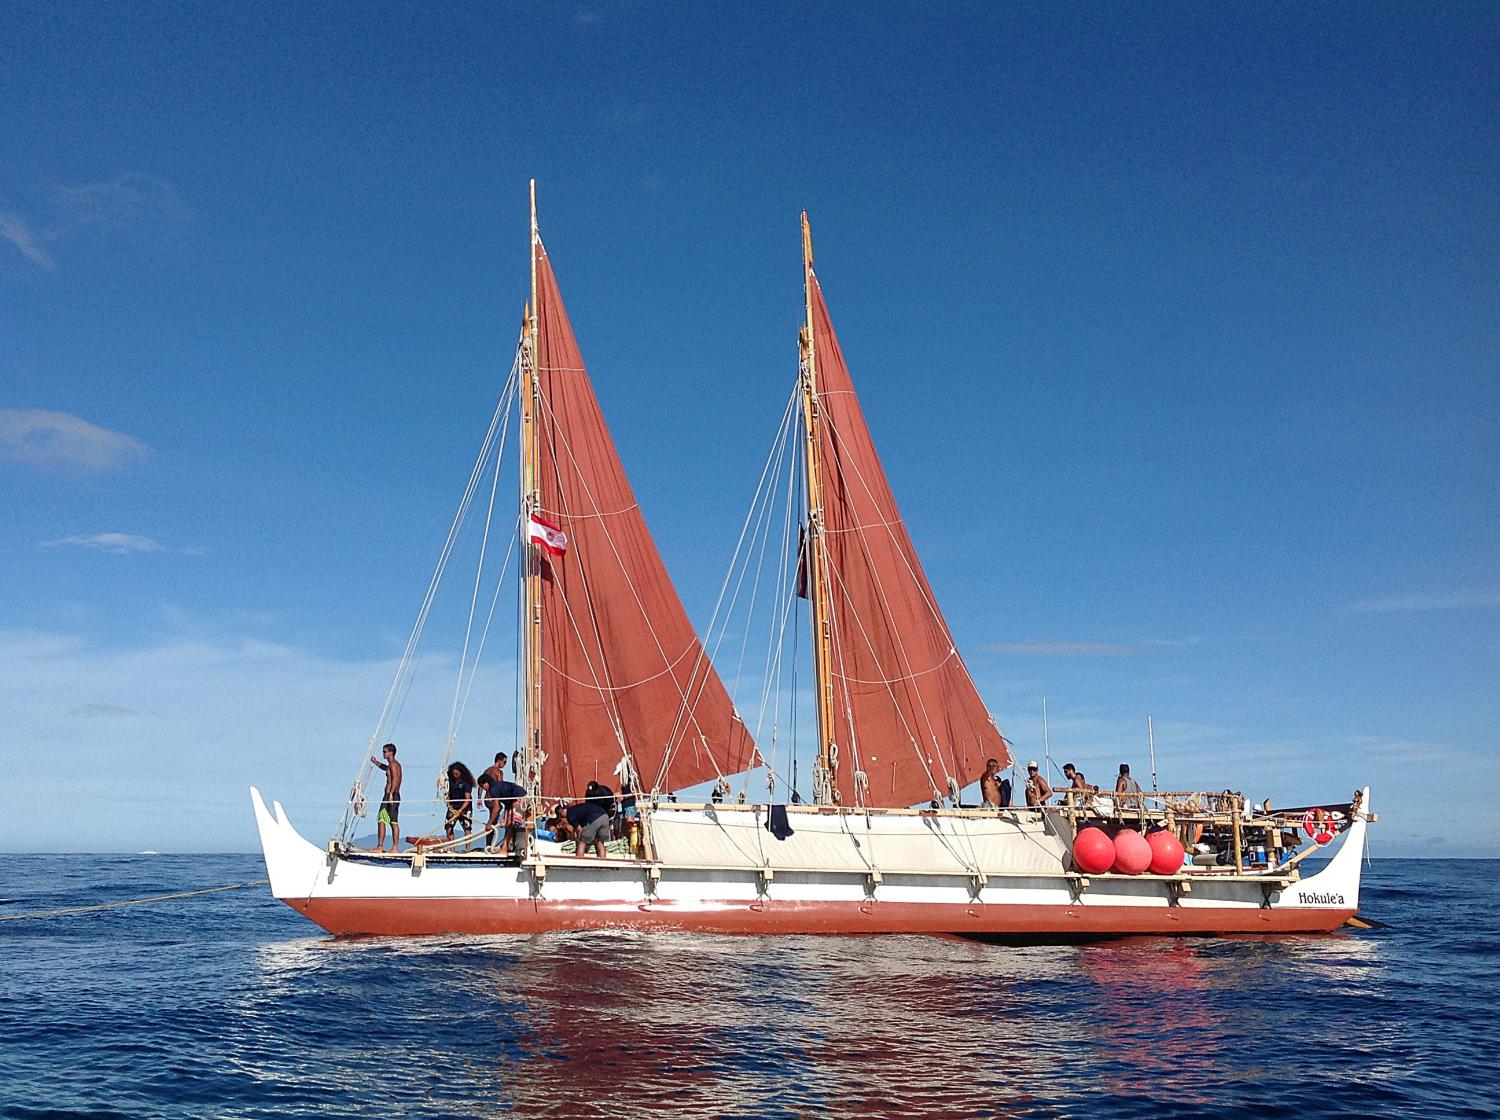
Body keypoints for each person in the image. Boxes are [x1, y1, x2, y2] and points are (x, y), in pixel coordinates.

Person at [370, 742, 402, 852]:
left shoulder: (394, 765)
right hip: (389, 795)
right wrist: (376, 763)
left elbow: (396, 779)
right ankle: (381, 846)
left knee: (392, 821)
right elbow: (386, 768)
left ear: (391, 753)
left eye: (385, 752)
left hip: (392, 795)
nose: (383, 754)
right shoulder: (391, 765)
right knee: (382, 819)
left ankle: (393, 847)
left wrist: (391, 794)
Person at [566, 780, 612, 857]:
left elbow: (580, 831)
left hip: (595, 817)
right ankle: (603, 862)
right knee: (600, 842)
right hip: (604, 816)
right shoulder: (586, 801)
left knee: (582, 842)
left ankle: (579, 861)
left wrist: (582, 837)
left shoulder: (570, 814)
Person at [479, 753, 509, 848]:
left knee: (493, 821)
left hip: (487, 799)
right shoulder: (498, 772)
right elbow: (500, 785)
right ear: (499, 760)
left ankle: (488, 844)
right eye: (504, 762)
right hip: (494, 799)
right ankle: (489, 844)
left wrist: (479, 798)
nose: (505, 764)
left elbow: (480, 785)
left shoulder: (487, 770)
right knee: (493, 821)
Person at [444, 761, 477, 849]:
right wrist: (449, 805)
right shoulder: (449, 781)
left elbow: (467, 798)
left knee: (467, 827)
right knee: (448, 826)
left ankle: (468, 848)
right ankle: (452, 848)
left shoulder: (466, 783)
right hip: (453, 806)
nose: (455, 774)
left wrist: (461, 810)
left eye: (457, 772)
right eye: (454, 773)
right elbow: (447, 794)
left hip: (465, 807)